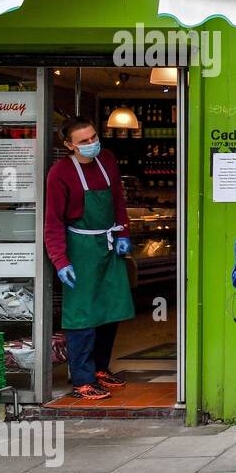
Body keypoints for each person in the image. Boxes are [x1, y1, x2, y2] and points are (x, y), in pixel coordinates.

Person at [45, 117, 134, 400]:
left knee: (111, 308)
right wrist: (61, 260)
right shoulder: (60, 172)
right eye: (84, 141)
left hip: (108, 242)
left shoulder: (106, 159)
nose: (92, 143)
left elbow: (118, 200)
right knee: (81, 315)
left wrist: (123, 231)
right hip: (80, 246)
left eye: (93, 137)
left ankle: (100, 369)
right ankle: (82, 380)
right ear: (69, 145)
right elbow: (53, 222)